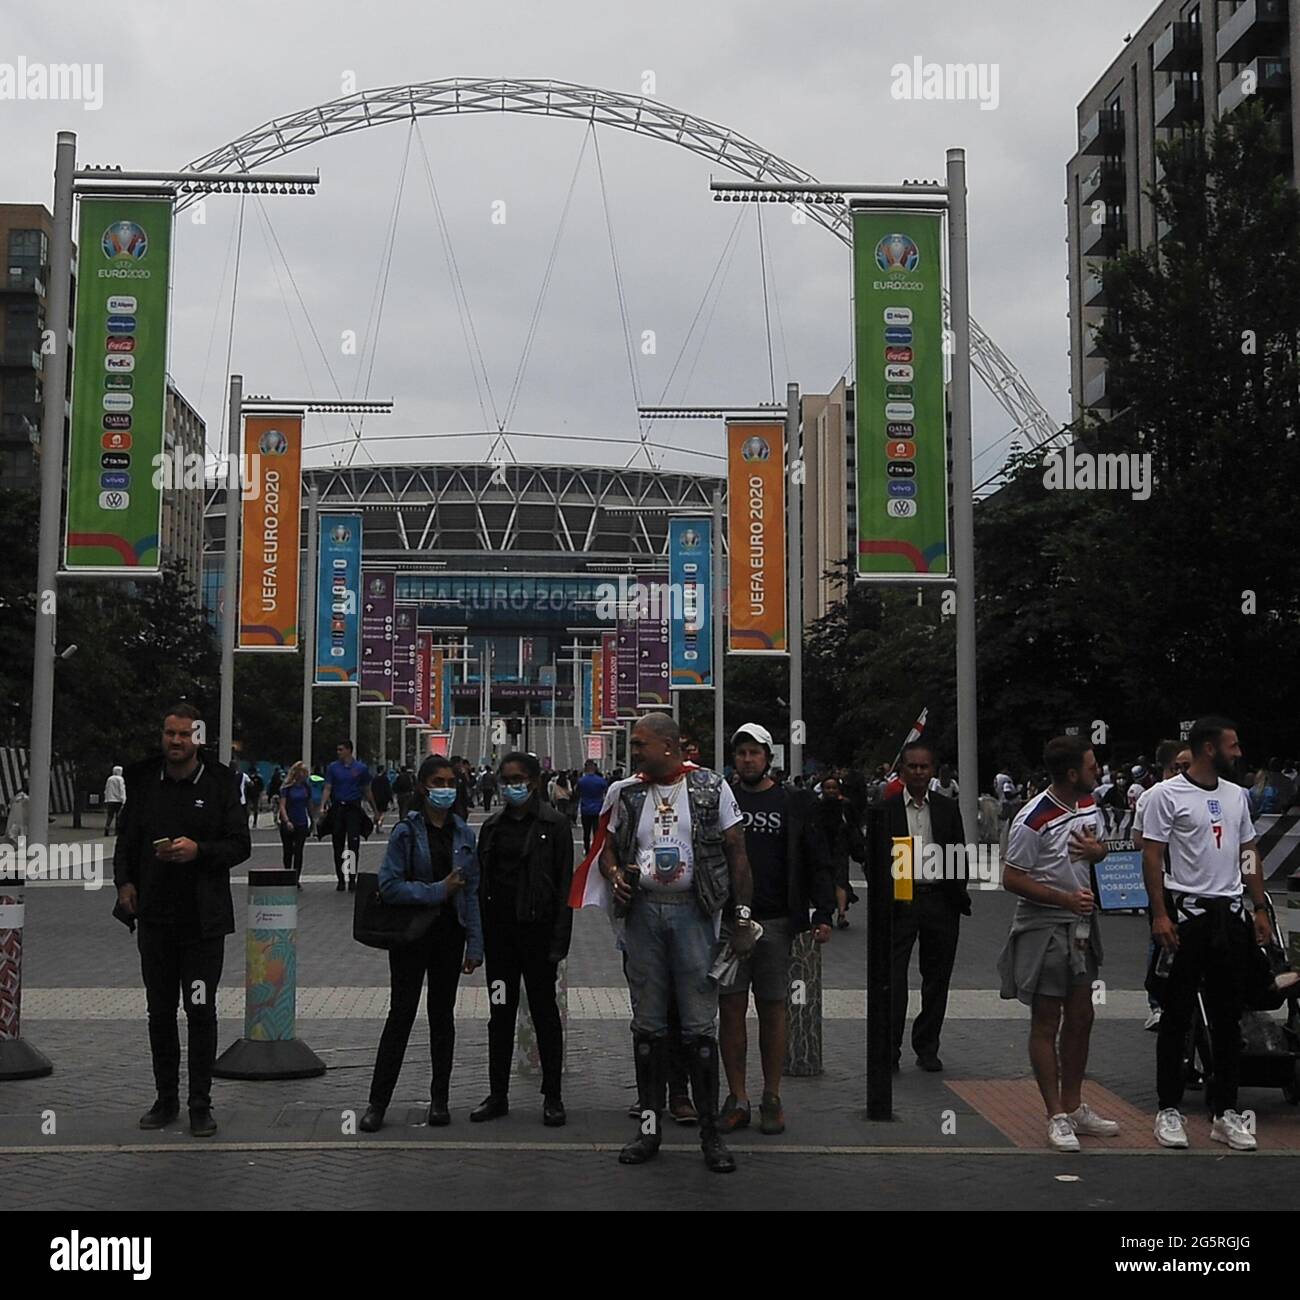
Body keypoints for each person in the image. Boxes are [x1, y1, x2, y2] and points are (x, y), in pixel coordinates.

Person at [593, 713, 756, 1173]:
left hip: (694, 914)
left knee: (699, 1026)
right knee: (647, 1027)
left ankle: (710, 1135)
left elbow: (737, 852)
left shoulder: (710, 788)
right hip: (644, 913)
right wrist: (613, 875)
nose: (634, 750)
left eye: (641, 743)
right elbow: (607, 850)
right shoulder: (625, 793)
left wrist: (742, 916)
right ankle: (649, 1128)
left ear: (668, 745)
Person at [1142, 716, 1297, 1152]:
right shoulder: (1165, 795)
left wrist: (1259, 905)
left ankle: (1225, 1111)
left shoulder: (1237, 796)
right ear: (1210, 748)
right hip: (1187, 915)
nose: (1239, 752)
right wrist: (1160, 915)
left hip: (1230, 915)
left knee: (1229, 1017)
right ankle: (1168, 1110)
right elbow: (1152, 856)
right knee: (1176, 1017)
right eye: (1232, 745)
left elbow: (1248, 850)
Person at [112, 701, 251, 1137]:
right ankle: (165, 1098)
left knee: (199, 1010)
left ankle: (200, 1104)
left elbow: (239, 845)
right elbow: (127, 842)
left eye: (183, 734)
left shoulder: (221, 782)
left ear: (198, 738)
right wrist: (125, 885)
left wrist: (199, 851)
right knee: (159, 1012)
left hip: (202, 924)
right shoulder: (142, 780)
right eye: (169, 733)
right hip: (154, 919)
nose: (175, 741)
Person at [997, 736, 1116, 1152]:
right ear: (1070, 773)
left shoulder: (1090, 805)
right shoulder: (1032, 818)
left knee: (1082, 1015)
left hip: (1082, 924)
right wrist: (1064, 898)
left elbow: (1095, 855)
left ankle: (1075, 1103)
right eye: (1091, 765)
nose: (1098, 770)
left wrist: (1098, 853)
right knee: (1047, 1018)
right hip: (1045, 925)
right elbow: (1011, 878)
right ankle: (1056, 1115)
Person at [717, 724, 833, 1136]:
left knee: (773, 1008)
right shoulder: (720, 799)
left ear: (768, 757)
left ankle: (771, 1096)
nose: (747, 760)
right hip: (729, 922)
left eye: (754, 753)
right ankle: (737, 1097)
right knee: (729, 1010)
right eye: (741, 753)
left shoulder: (793, 802)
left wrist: (823, 912)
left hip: (776, 921)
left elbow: (814, 857)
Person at [359, 753, 483, 1132]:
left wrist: (475, 945)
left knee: (442, 1017)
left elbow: (472, 892)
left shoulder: (463, 832)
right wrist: (437, 890)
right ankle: (377, 1103)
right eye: (438, 782)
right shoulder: (406, 832)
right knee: (401, 1016)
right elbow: (389, 886)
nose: (445, 789)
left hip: (449, 934)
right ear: (423, 786)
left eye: (450, 782)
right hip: (411, 935)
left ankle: (440, 1099)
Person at [471, 751, 573, 1126]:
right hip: (501, 940)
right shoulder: (493, 827)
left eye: (518, 778)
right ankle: (497, 1094)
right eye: (506, 779)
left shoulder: (555, 825)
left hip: (539, 937)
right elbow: (481, 884)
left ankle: (553, 1096)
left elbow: (565, 887)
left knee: (545, 1013)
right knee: (500, 1013)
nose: (512, 785)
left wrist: (559, 941)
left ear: (533, 781)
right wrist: (478, 939)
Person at [870, 740, 971, 1073]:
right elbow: (874, 859)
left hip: (939, 901)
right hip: (900, 901)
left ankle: (928, 1047)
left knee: (937, 979)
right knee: (893, 979)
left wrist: (957, 894)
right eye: (911, 766)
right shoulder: (885, 809)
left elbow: (958, 851)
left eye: (923, 766)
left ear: (933, 770)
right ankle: (890, 1049)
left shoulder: (945, 808)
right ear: (902, 770)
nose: (917, 772)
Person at [1131, 739, 1192, 1030]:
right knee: (1161, 943)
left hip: (1194, 885)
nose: (1182, 771)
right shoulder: (1153, 796)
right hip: (1165, 881)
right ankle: (1157, 1003)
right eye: (1178, 766)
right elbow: (1138, 839)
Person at [321, 740, 373, 892]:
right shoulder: (333, 768)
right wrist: (323, 805)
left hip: (353, 808)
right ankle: (340, 879)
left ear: (349, 750)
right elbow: (328, 787)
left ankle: (352, 878)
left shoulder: (361, 768)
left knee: (353, 844)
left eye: (341, 749)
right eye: (337, 750)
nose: (338, 752)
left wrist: (374, 808)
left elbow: (366, 789)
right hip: (338, 808)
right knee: (337, 843)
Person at [818, 775, 863, 928]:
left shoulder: (846, 805)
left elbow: (854, 825)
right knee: (825, 880)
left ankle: (841, 914)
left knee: (841, 880)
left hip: (840, 847)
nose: (831, 790)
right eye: (827, 787)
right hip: (822, 848)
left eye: (834, 787)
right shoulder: (817, 806)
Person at [278, 761, 314, 886]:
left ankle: (296, 878)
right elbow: (282, 806)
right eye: (303, 772)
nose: (305, 775)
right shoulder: (287, 788)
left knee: (299, 851)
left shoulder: (306, 787)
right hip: (288, 821)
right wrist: (286, 820)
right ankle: (287, 873)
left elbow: (309, 805)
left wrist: (312, 820)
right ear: (297, 773)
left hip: (301, 822)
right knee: (288, 851)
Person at [576, 759, 608, 853]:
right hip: (597, 809)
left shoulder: (581, 781)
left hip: (585, 809)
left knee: (586, 831)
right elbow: (606, 792)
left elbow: (577, 792)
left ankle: (587, 849)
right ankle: (596, 849)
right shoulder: (601, 781)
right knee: (596, 831)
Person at [103, 765, 126, 836]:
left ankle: (107, 828)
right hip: (118, 800)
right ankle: (117, 831)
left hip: (110, 800)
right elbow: (122, 790)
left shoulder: (109, 779)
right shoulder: (120, 779)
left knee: (110, 816)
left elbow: (106, 789)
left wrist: (106, 799)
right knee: (118, 816)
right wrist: (123, 799)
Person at [370, 764, 392, 830]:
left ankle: (377, 823)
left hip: (376, 798)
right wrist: (390, 798)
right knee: (382, 812)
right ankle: (379, 824)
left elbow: (372, 788)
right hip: (383, 798)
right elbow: (387, 789)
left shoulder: (374, 779)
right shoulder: (385, 778)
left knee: (377, 811)